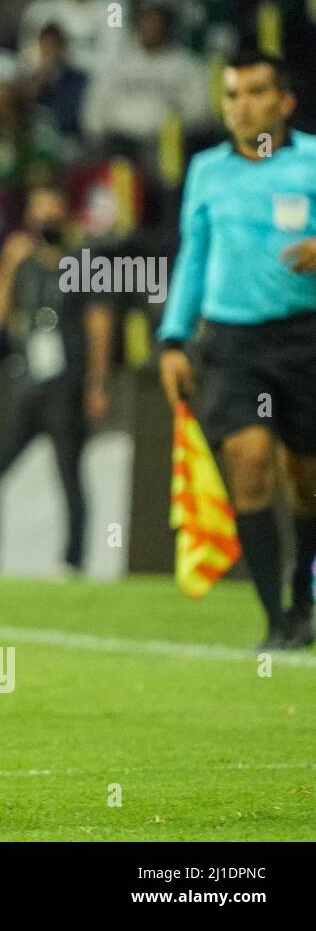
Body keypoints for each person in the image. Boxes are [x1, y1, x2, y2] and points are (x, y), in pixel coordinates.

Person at [158, 52, 316, 650]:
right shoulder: (207, 171)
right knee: (249, 462)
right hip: (231, 341)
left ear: (284, 102)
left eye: (254, 92)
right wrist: (173, 338)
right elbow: (192, 255)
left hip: (305, 336)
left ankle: (303, 594)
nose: (241, 105)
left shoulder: (313, 161)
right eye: (231, 95)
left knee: (306, 480)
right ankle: (275, 619)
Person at [0, 185, 114, 573]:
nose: (46, 220)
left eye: (53, 211)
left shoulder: (84, 263)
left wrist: (96, 383)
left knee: (69, 472)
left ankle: (73, 561)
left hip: (67, 383)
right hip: (27, 381)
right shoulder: (22, 263)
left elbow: (100, 325)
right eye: (39, 212)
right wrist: (7, 265)